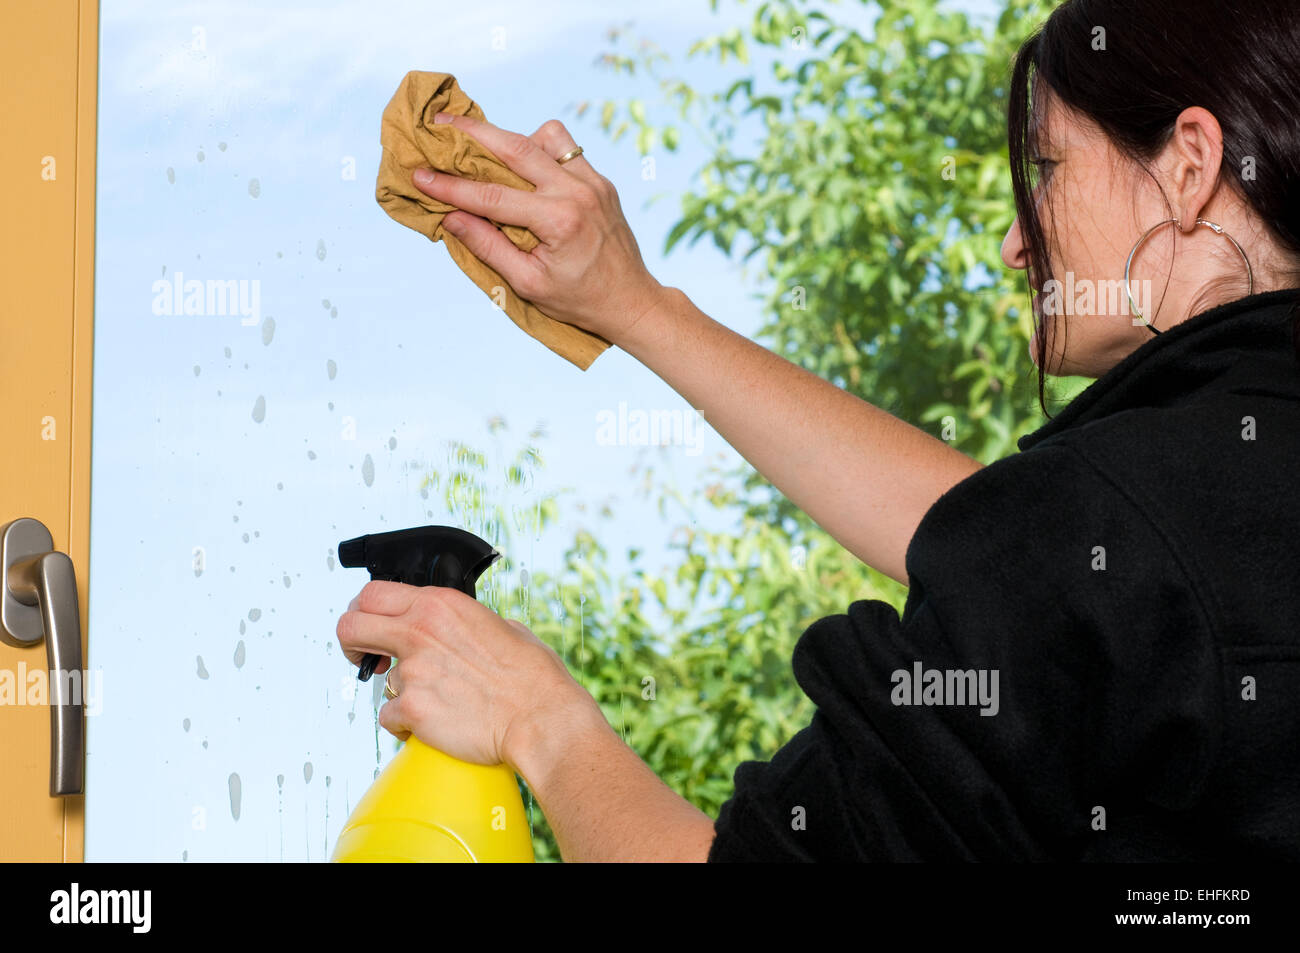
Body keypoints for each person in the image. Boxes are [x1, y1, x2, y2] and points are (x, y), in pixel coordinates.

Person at [336, 0, 1300, 860]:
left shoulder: (1125, 531)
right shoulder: (1205, 508)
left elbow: (1074, 576)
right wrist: (635, 307)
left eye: (1044, 167)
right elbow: (1072, 577)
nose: (1016, 241)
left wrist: (537, 718)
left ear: (1189, 164)